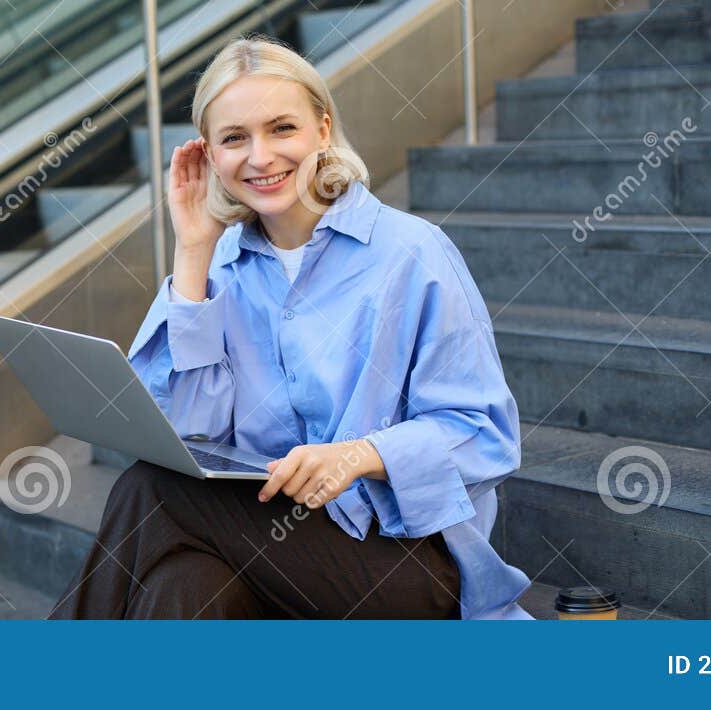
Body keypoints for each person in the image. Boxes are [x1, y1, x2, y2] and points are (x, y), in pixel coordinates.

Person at [48, 34, 531, 620]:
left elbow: (486, 436)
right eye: (234, 138)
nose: (260, 157)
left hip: (405, 560)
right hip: (262, 540)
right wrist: (193, 254)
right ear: (209, 155)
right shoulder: (219, 266)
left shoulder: (411, 252)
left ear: (323, 130)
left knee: (150, 490)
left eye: (282, 129)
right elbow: (190, 433)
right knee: (184, 585)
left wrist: (359, 455)